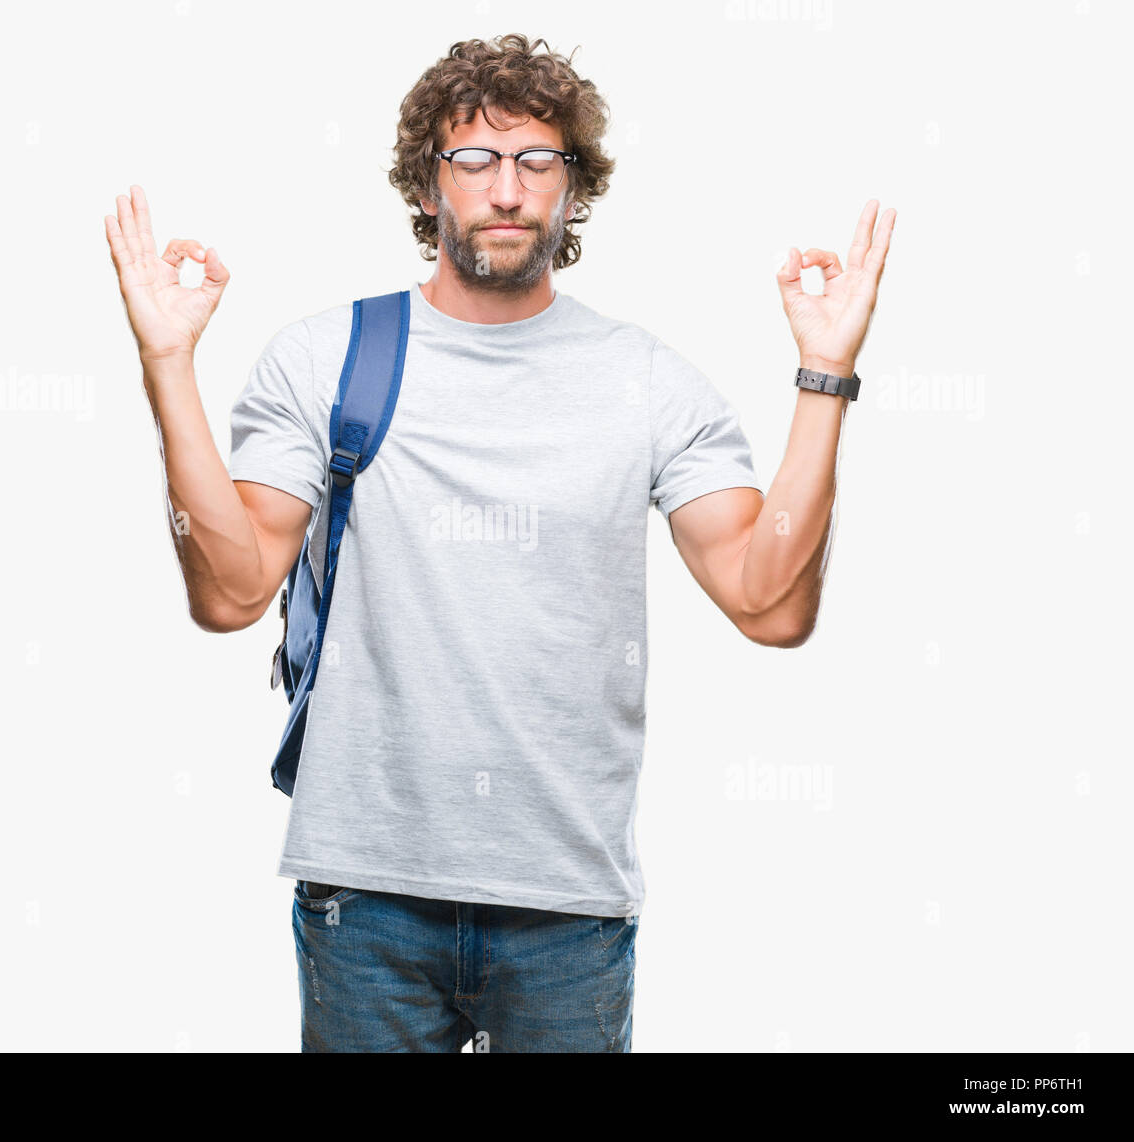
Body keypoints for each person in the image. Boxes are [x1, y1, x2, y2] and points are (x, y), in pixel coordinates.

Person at [103, 33, 895, 1052]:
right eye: (473, 160)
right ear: (428, 187)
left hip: (567, 901)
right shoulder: (328, 355)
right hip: (368, 898)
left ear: (574, 188)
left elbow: (770, 601)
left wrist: (823, 374)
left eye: (536, 160)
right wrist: (167, 364)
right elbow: (230, 590)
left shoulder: (644, 379)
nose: (507, 188)